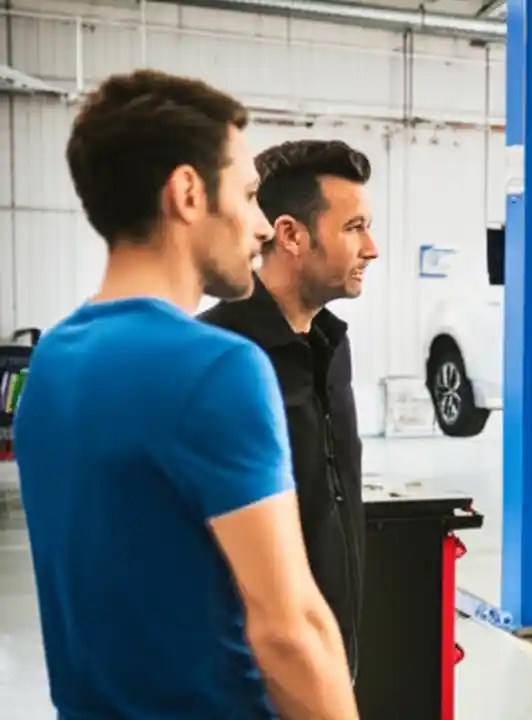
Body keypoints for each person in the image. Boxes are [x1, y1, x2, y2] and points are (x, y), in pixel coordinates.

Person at [13, 69, 358, 719]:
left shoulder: (54, 360)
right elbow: (288, 631)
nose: (259, 226)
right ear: (189, 192)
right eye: (250, 194)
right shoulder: (218, 368)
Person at [201, 138, 378, 680]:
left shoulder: (331, 344)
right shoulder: (215, 359)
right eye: (354, 228)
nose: (371, 248)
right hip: (248, 679)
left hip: (329, 658)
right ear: (291, 235)